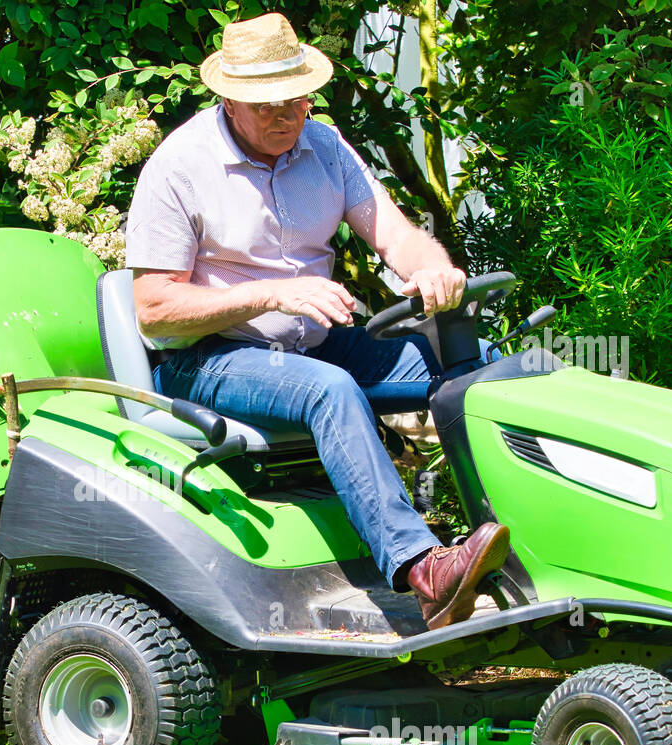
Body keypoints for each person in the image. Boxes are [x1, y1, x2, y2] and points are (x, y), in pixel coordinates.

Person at [125, 12, 508, 630]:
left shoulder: (324, 144)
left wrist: (434, 269)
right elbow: (156, 309)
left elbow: (397, 237)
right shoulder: (179, 168)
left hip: (318, 343)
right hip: (210, 359)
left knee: (482, 361)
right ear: (228, 98)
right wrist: (273, 295)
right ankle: (424, 570)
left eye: (296, 98)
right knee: (330, 390)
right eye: (267, 104)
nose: (287, 114)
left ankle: (518, 539)